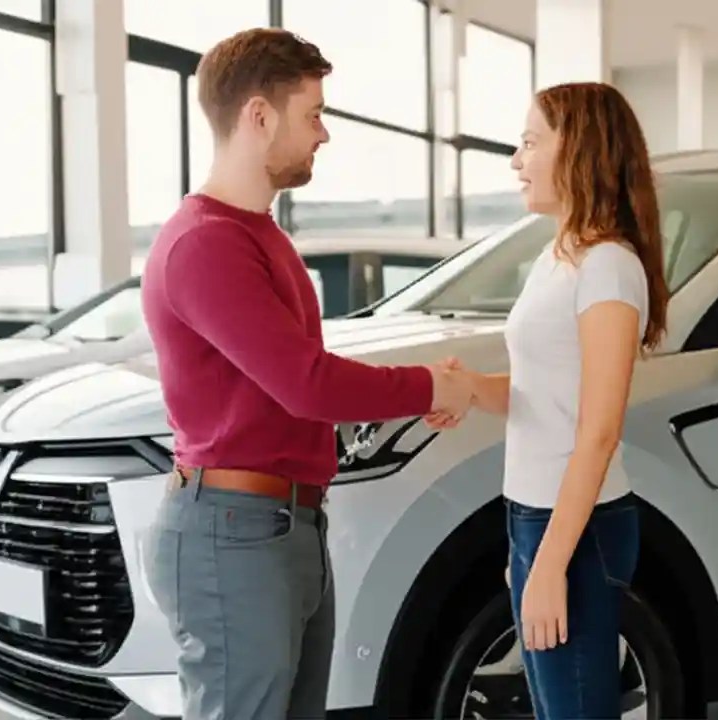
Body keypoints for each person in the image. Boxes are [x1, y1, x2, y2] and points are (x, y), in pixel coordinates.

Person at [139, 28, 473, 720]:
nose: (324, 134)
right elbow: (307, 383)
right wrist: (433, 387)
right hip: (234, 531)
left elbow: (296, 382)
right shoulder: (208, 243)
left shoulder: (260, 235)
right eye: (313, 113)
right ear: (259, 116)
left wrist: (420, 387)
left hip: (282, 524)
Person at [425, 82, 668, 719]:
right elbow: (545, 395)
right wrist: (470, 390)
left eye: (530, 142)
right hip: (538, 516)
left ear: (579, 151)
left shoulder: (609, 266)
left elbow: (598, 430)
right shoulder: (558, 256)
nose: (515, 159)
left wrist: (550, 564)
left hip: (578, 529)